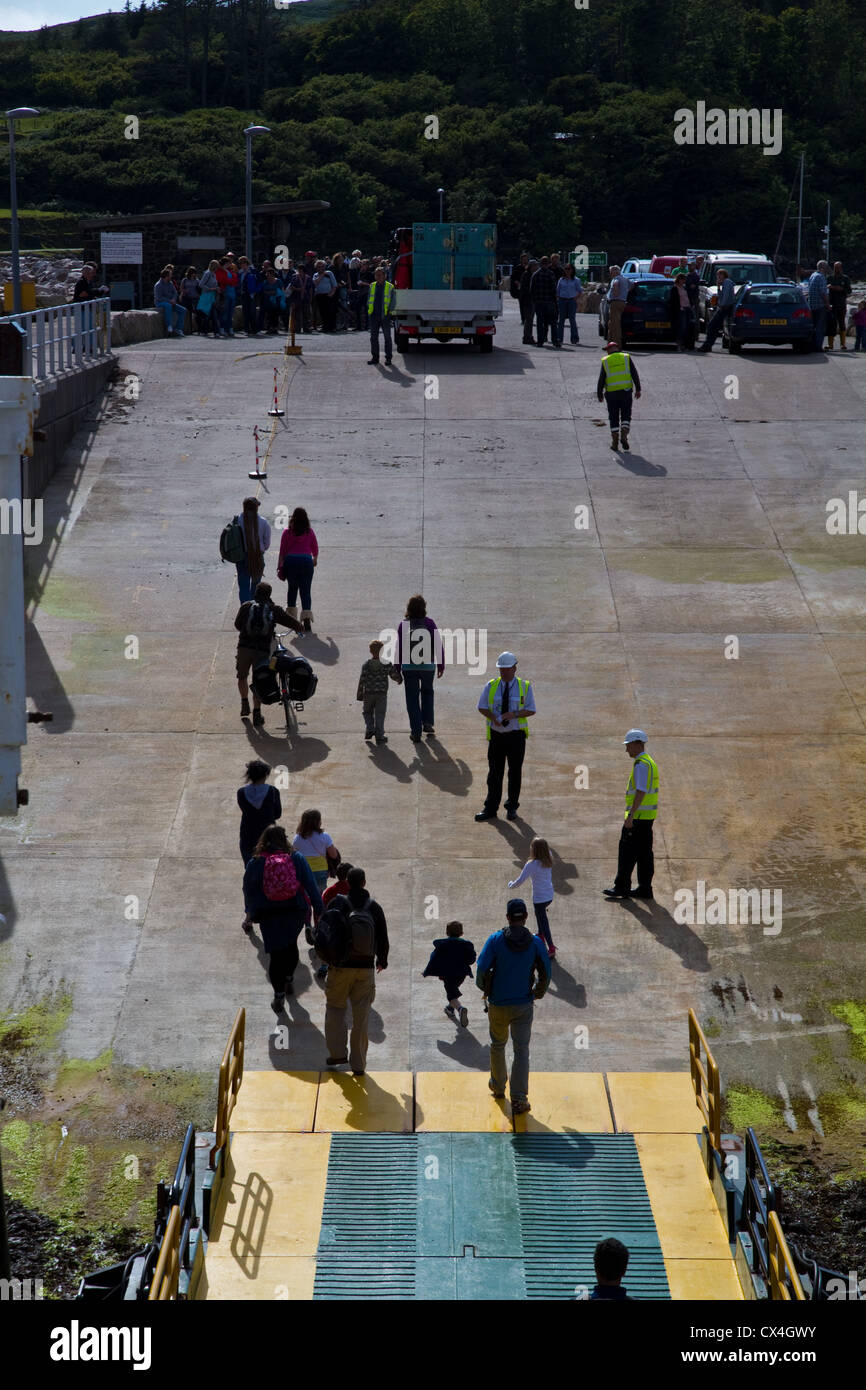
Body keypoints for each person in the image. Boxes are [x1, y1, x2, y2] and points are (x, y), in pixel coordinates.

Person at [476, 898, 551, 1115]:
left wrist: (486, 990)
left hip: (498, 1004)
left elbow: (481, 969)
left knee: (497, 1044)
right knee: (521, 1050)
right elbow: (546, 971)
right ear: (526, 917)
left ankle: (498, 1087)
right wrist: (537, 993)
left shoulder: (496, 940)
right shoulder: (536, 942)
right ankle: (519, 1098)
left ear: (508, 918)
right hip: (523, 1004)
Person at [242, 825, 324, 1012]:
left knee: (276, 955)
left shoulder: (255, 863)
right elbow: (310, 885)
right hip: (295, 911)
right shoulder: (296, 858)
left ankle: (278, 995)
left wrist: (250, 912)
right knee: (290, 945)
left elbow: (248, 889)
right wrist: (319, 910)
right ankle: (289, 979)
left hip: (269, 915)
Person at [322, 866, 389, 1074]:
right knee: (361, 1016)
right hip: (365, 968)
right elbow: (383, 938)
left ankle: (337, 1054)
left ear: (348, 883)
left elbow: (326, 931)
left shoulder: (338, 902)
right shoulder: (374, 907)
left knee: (335, 1008)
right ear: (364, 883)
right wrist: (382, 961)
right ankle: (358, 1064)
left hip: (340, 967)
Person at [475, 652, 536, 822]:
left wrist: (514, 714)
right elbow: (481, 707)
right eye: (501, 669)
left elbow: (531, 709)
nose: (503, 672)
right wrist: (493, 717)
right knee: (494, 773)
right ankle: (490, 808)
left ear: (514, 668)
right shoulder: (491, 685)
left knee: (514, 773)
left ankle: (512, 808)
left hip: (516, 737)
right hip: (497, 736)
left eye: (507, 669)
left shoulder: (525, 686)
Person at [234, 580, 301, 727]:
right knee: (259, 679)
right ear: (269, 594)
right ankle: (257, 713)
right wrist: (300, 627)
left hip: (244, 647)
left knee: (242, 676)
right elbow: (292, 622)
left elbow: (237, 625)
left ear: (256, 592)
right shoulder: (273, 609)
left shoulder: (246, 606)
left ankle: (244, 703)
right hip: (262, 650)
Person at [603, 728, 659, 902]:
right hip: (647, 818)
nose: (626, 749)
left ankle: (621, 887)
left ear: (637, 744)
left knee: (626, 852)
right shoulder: (649, 762)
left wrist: (630, 816)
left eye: (628, 746)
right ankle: (645, 888)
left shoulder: (641, 765)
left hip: (638, 818)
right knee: (644, 854)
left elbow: (641, 792)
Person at [392, 594, 445, 742]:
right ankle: (427, 723)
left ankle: (416, 732)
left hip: (409, 667)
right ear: (424, 608)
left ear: (409, 608)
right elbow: (438, 645)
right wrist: (441, 665)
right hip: (428, 667)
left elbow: (399, 649)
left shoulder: (404, 625)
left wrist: (397, 668)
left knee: (412, 699)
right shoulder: (430, 623)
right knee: (427, 693)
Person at [422, 920, 477, 1028]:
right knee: (453, 989)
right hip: (461, 974)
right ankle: (450, 1008)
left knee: (451, 994)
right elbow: (471, 959)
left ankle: (460, 1009)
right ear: (462, 933)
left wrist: (426, 971)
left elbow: (433, 958)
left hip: (447, 974)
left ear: (447, 932)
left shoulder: (443, 945)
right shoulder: (465, 945)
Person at [508, 837, 556, 958]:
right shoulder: (548, 857)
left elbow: (520, 880)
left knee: (543, 920)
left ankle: (551, 947)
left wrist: (511, 885)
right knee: (539, 916)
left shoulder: (531, 864)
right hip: (549, 895)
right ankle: (540, 934)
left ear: (534, 850)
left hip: (539, 898)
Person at [276, 506, 318, 632]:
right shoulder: (309, 532)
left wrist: (279, 567)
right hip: (306, 562)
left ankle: (292, 621)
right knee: (306, 591)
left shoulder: (287, 532)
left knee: (292, 589)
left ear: (292, 518)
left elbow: (282, 552)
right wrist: (314, 560)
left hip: (291, 562)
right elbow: (315, 548)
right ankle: (306, 621)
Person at [597, 341, 642, 452]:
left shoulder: (606, 361)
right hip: (626, 392)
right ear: (617, 348)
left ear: (609, 349)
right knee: (626, 413)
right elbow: (634, 373)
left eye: (607, 349)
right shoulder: (626, 357)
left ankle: (615, 442)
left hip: (611, 394)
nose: (606, 352)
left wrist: (599, 394)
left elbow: (601, 379)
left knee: (613, 416)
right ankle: (624, 433)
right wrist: (638, 389)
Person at [237, 759, 282, 864]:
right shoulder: (273, 791)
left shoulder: (241, 792)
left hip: (247, 836)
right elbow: (278, 814)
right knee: (270, 869)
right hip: (269, 837)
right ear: (265, 775)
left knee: (250, 869)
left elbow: (244, 810)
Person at [357, 638, 399, 744]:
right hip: (381, 694)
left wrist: (360, 694)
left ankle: (370, 729)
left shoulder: (366, 665)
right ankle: (379, 736)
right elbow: (393, 674)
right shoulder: (386, 663)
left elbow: (362, 680)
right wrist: (399, 679)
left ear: (370, 651)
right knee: (380, 714)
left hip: (368, 693)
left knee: (367, 712)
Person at [292, 808, 340, 897]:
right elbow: (334, 855)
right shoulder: (325, 836)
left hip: (304, 871)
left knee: (306, 897)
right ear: (318, 822)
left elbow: (293, 855)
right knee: (317, 897)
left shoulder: (297, 838)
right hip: (321, 870)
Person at [235, 495, 271, 603]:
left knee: (244, 587)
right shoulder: (263, 522)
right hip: (257, 557)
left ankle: (245, 609)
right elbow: (267, 543)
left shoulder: (238, 520)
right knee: (255, 587)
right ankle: (253, 610)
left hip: (242, 557)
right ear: (256, 508)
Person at [697, 269, 737, 353]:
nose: (718, 277)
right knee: (713, 327)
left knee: (712, 325)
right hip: (724, 307)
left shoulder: (727, 282)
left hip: (724, 308)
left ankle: (707, 346)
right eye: (717, 275)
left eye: (720, 275)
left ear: (724, 275)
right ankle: (708, 345)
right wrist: (718, 287)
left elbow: (725, 297)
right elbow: (721, 296)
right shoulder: (725, 283)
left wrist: (722, 306)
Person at [367, 265, 395, 365]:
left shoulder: (390, 286)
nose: (378, 277)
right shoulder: (372, 285)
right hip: (374, 315)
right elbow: (369, 299)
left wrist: (389, 312)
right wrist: (369, 311)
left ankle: (388, 358)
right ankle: (375, 358)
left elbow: (393, 301)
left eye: (380, 275)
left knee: (387, 338)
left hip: (385, 316)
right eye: (376, 275)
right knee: (373, 338)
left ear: (384, 276)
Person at [529, 256, 558, 347]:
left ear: (540, 264)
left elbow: (531, 289)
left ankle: (540, 341)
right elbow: (554, 288)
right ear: (548, 263)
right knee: (553, 322)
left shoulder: (535, 274)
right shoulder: (551, 274)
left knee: (540, 322)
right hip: (550, 301)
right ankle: (554, 341)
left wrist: (534, 300)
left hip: (539, 302)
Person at [154, 268, 186, 337]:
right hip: (160, 303)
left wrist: (174, 300)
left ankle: (178, 328)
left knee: (183, 310)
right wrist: (170, 301)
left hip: (171, 302)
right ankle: (169, 326)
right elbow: (159, 298)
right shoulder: (158, 285)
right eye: (170, 275)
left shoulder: (170, 283)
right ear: (166, 276)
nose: (171, 276)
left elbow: (175, 293)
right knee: (168, 306)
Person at [826, 261, 851, 350]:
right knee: (831, 324)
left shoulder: (845, 278)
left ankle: (843, 344)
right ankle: (830, 344)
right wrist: (829, 287)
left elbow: (849, 291)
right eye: (835, 267)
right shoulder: (829, 278)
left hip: (841, 304)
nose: (837, 269)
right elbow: (825, 289)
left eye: (838, 267)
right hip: (832, 304)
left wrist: (840, 288)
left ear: (841, 268)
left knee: (842, 323)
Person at [556, 262, 581, 345]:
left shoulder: (576, 280)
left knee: (572, 320)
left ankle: (574, 338)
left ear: (572, 270)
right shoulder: (561, 279)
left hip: (571, 301)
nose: (567, 271)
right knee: (561, 320)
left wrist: (575, 298)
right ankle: (559, 338)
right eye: (565, 269)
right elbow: (558, 291)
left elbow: (579, 291)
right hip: (562, 300)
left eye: (568, 269)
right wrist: (558, 299)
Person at [605, 266, 629, 349]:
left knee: (615, 326)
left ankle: (617, 346)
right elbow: (632, 286)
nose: (610, 274)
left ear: (615, 272)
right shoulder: (625, 279)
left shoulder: (616, 279)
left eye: (611, 272)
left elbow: (615, 286)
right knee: (611, 324)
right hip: (622, 302)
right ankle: (609, 345)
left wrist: (615, 293)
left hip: (615, 302)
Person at [237, 256, 261, 336]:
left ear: (247, 263)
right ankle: (246, 330)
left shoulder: (253, 271)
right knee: (245, 312)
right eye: (240, 264)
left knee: (252, 312)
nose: (242, 265)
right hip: (244, 294)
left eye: (243, 263)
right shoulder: (240, 273)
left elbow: (260, 283)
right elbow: (238, 284)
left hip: (252, 294)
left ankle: (256, 330)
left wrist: (255, 292)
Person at [670, 273, 694, 352]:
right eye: (683, 279)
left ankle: (685, 345)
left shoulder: (684, 288)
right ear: (679, 279)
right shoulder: (675, 288)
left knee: (687, 327)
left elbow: (687, 297)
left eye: (685, 280)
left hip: (687, 308)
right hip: (681, 310)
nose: (684, 281)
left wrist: (690, 305)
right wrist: (679, 307)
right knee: (682, 327)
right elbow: (674, 300)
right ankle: (679, 345)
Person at [313, 259, 338, 332]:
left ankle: (332, 327)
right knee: (322, 312)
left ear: (325, 266)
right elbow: (315, 283)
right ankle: (325, 327)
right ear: (316, 267)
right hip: (319, 295)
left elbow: (335, 285)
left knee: (330, 312)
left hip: (328, 295)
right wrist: (322, 274)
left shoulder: (329, 273)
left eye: (322, 266)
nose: (321, 268)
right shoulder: (315, 275)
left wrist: (331, 293)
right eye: (319, 267)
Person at [198, 259, 222, 336]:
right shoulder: (207, 273)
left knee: (210, 314)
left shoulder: (213, 274)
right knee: (208, 314)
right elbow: (201, 284)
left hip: (212, 296)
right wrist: (211, 289)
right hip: (207, 296)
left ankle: (208, 331)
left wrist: (217, 288)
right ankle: (213, 331)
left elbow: (214, 284)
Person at [519, 258, 539, 344]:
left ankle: (528, 336)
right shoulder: (527, 274)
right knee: (529, 319)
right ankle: (527, 337)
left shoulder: (532, 274)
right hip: (528, 300)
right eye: (535, 265)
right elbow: (525, 288)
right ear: (531, 266)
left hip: (532, 299)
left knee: (530, 319)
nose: (537, 267)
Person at [179, 266, 202, 334]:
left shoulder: (197, 280)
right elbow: (181, 289)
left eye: (194, 273)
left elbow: (200, 289)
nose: (194, 274)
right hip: (187, 298)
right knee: (188, 314)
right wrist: (184, 291)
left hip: (196, 298)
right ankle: (190, 329)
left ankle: (199, 329)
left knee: (197, 314)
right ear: (189, 273)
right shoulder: (185, 280)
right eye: (192, 273)